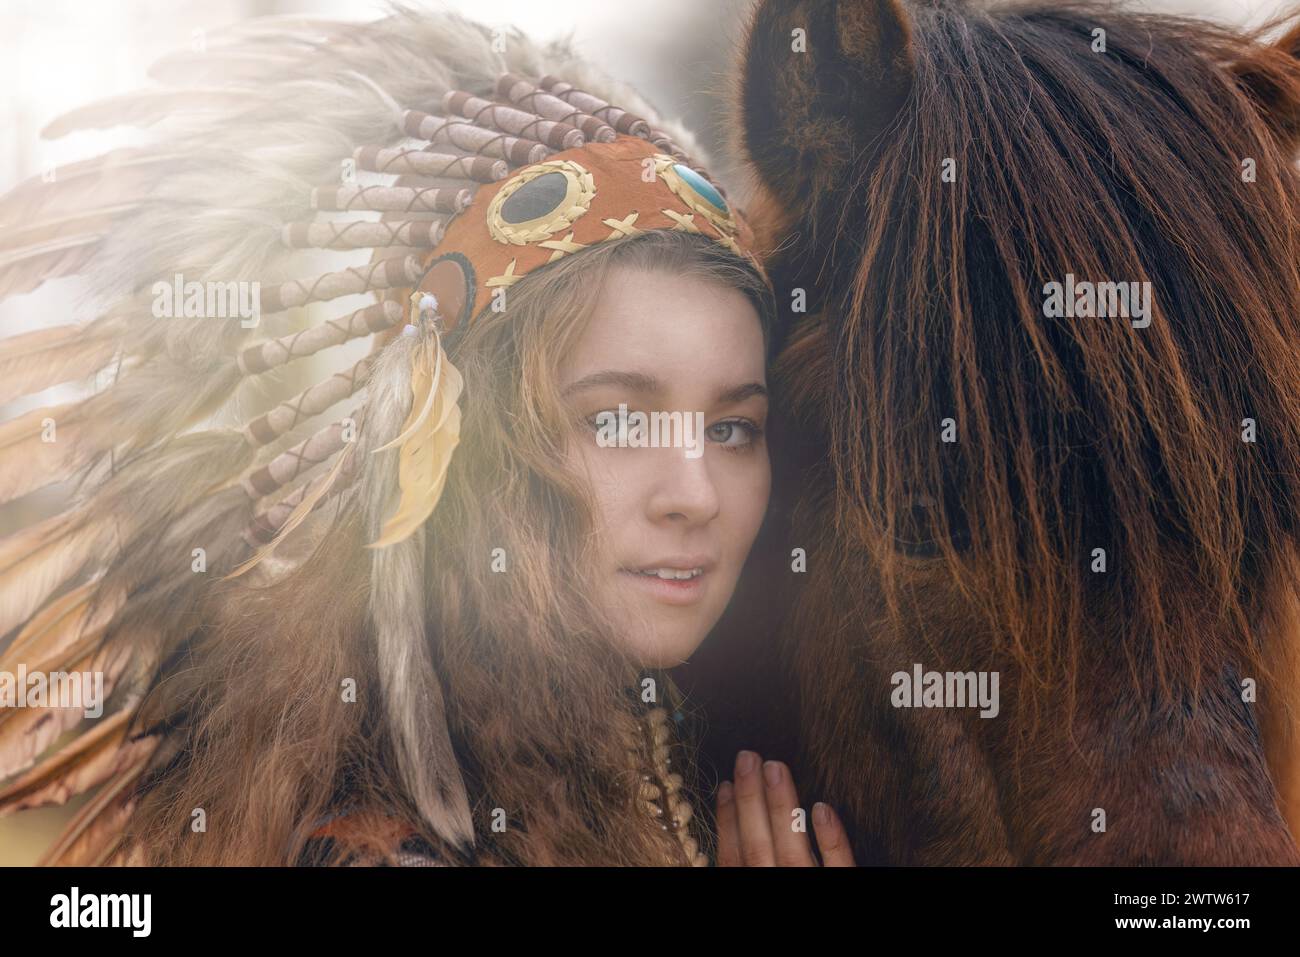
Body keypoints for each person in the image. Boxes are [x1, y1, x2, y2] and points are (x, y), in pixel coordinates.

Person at [0, 8, 851, 866]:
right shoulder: (378, 842)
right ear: (457, 443)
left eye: (734, 427)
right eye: (620, 421)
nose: (696, 494)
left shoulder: (671, 757)